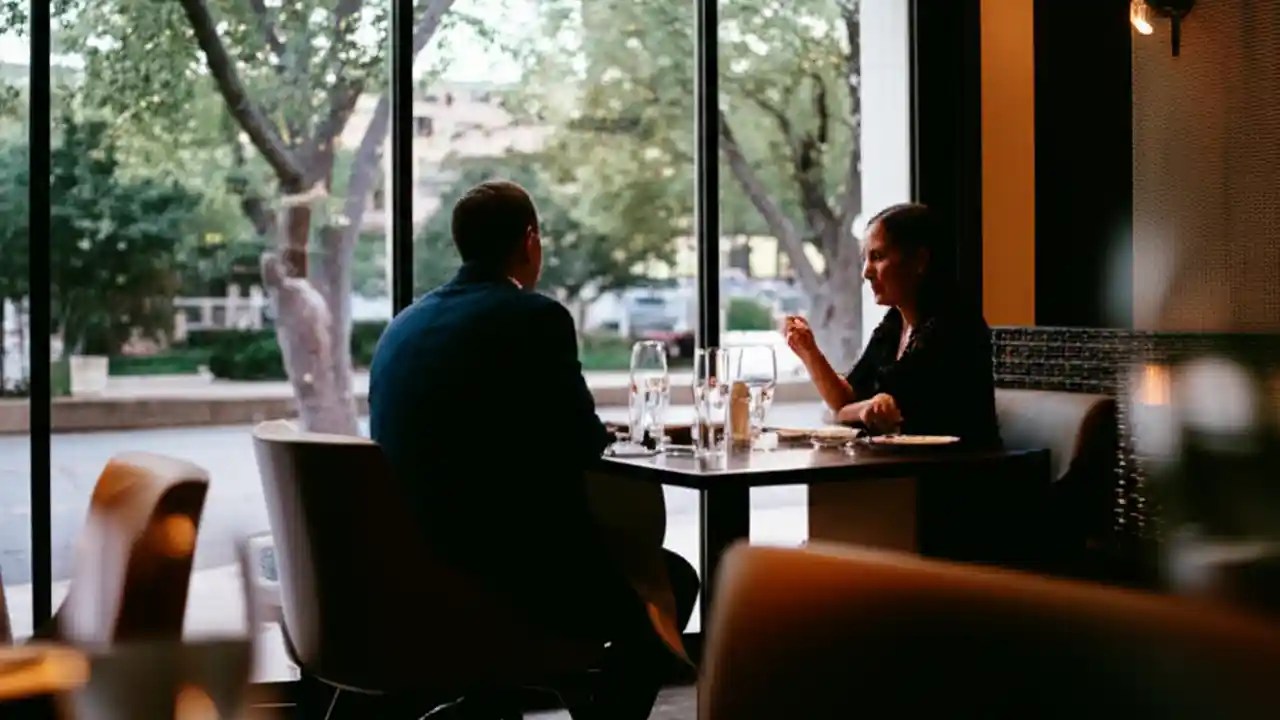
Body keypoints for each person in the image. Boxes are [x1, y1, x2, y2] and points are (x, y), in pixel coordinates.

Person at [369, 180, 698, 719]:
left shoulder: (404, 325)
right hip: (506, 574)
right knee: (674, 578)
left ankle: (489, 702)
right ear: (530, 241)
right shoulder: (536, 317)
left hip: (412, 564)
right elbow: (584, 444)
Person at [783, 203, 1000, 446]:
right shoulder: (894, 323)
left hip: (958, 472)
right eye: (865, 259)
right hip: (907, 469)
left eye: (877, 257)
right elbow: (847, 401)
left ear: (919, 260)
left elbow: (879, 413)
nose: (866, 272)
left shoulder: (953, 326)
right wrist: (809, 352)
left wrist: (850, 412)